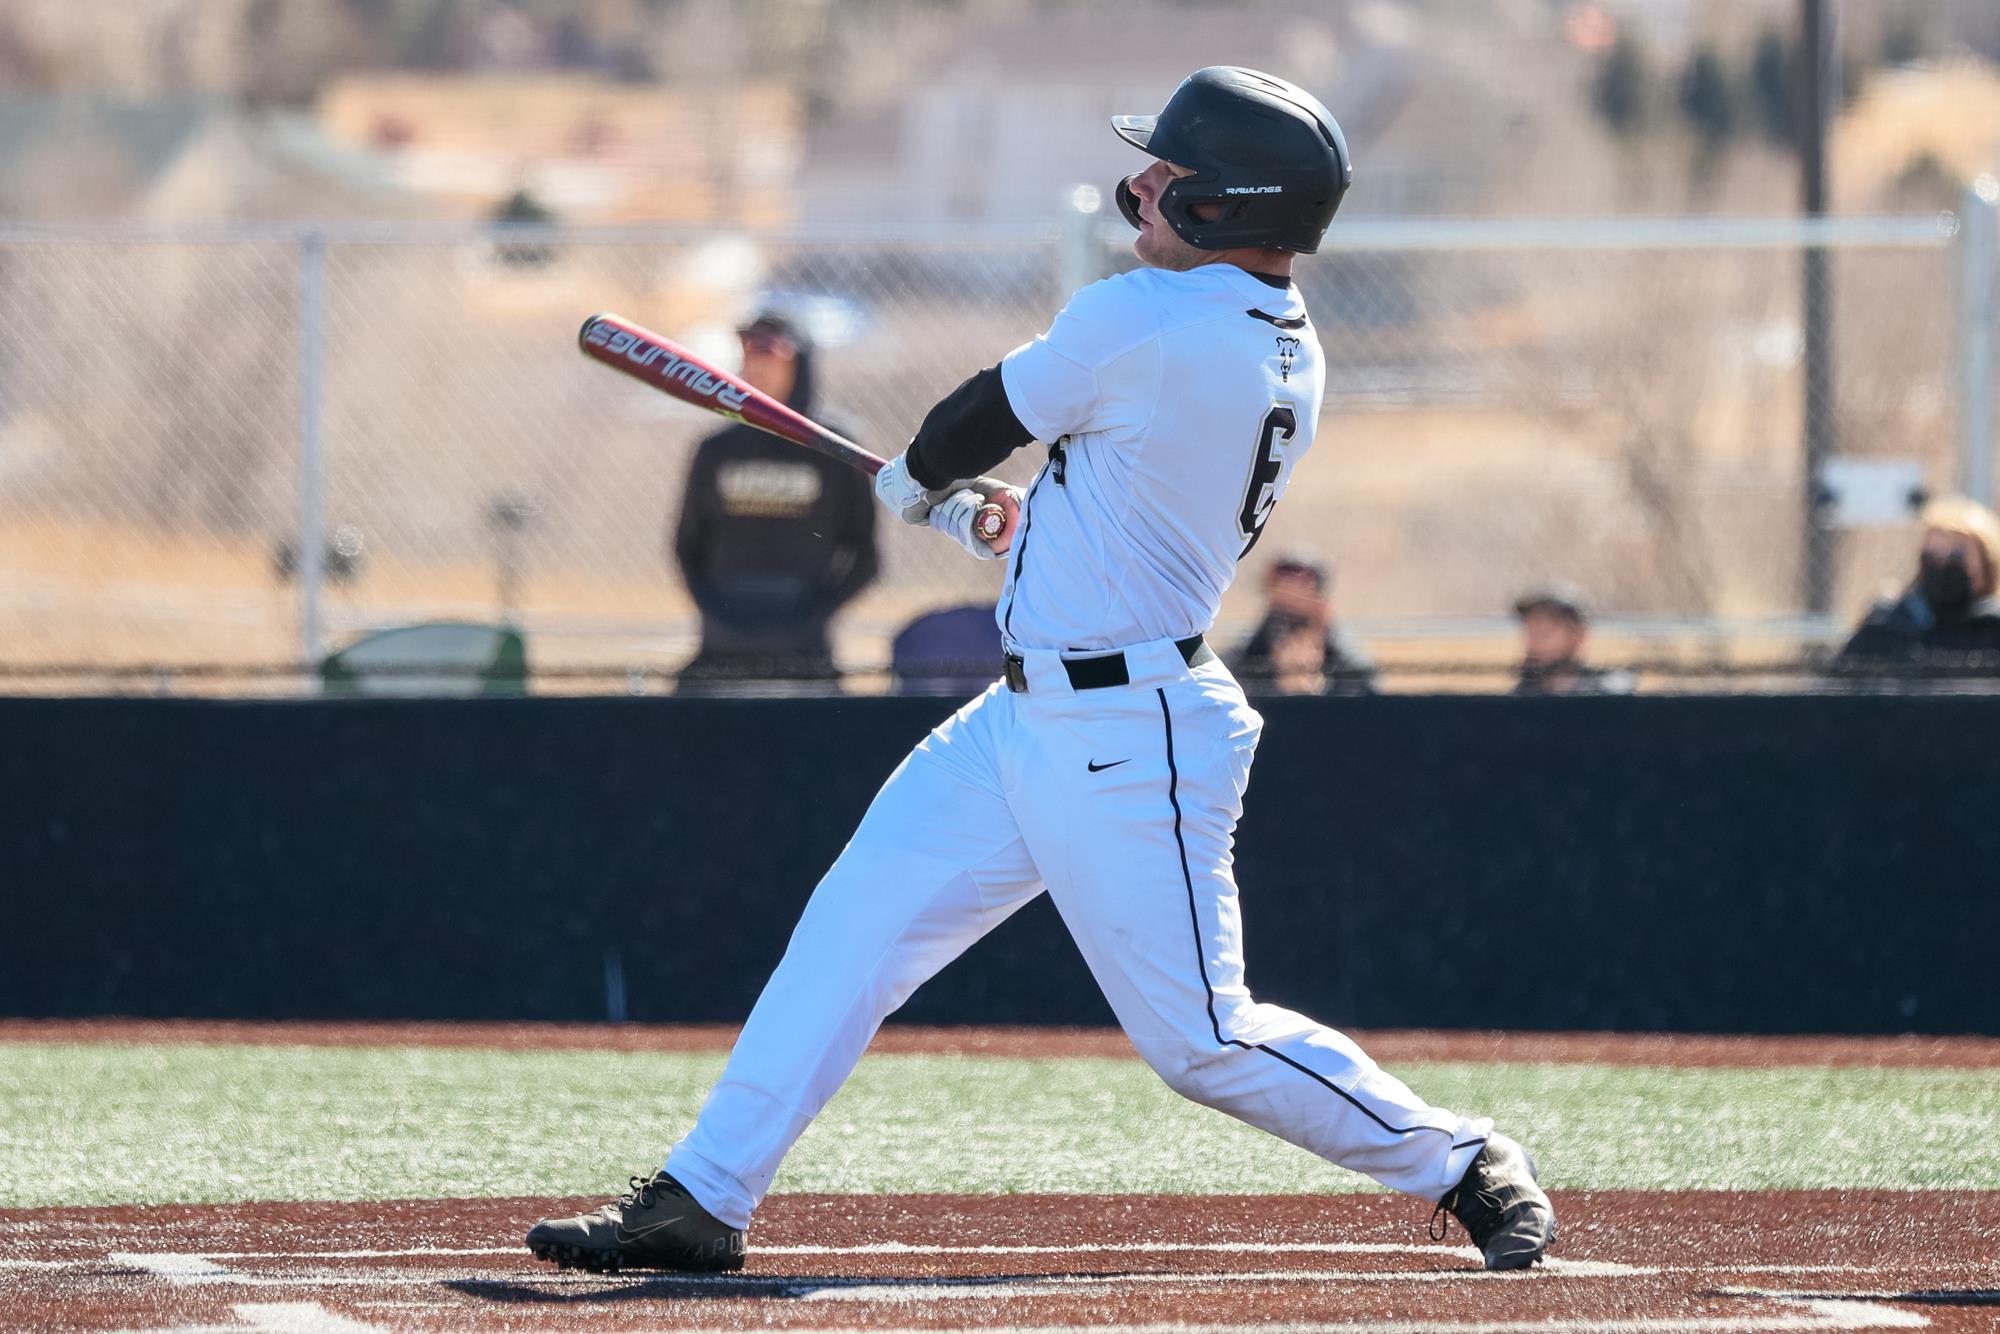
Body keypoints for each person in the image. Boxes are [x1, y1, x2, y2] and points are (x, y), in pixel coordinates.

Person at [529, 66, 1554, 1277]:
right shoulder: (1274, 340)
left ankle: (1459, 1157)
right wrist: (999, 517)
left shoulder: (1147, 318)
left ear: (1231, 205)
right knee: (850, 928)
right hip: (1027, 713)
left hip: (1127, 730)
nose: (1143, 191)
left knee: (1200, 1039)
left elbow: (967, 421)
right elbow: (1118, 476)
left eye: (1169, 178)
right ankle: (702, 1193)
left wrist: (918, 484)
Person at [671, 311, 878, 687]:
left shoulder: (835, 450)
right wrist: (717, 611)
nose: (756, 363)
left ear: (799, 360)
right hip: (723, 647)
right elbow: (686, 546)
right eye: (747, 349)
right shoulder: (716, 450)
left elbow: (866, 555)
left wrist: (814, 614)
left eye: (769, 350)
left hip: (804, 651)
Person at [1834, 496, 2000, 674]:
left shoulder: (1993, 632)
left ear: (1984, 563)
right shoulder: (1888, 628)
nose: (1942, 566)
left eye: (1956, 556)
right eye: (1932, 556)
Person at [1229, 550, 1377, 695]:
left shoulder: (1335, 644)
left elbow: (1367, 683)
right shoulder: (1254, 645)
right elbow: (1231, 673)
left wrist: (1319, 686)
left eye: (1303, 581)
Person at [1510, 585, 1633, 696]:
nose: (1534, 641)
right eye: (1530, 632)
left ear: (1578, 636)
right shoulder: (1521, 695)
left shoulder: (1606, 690)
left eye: (1545, 632)